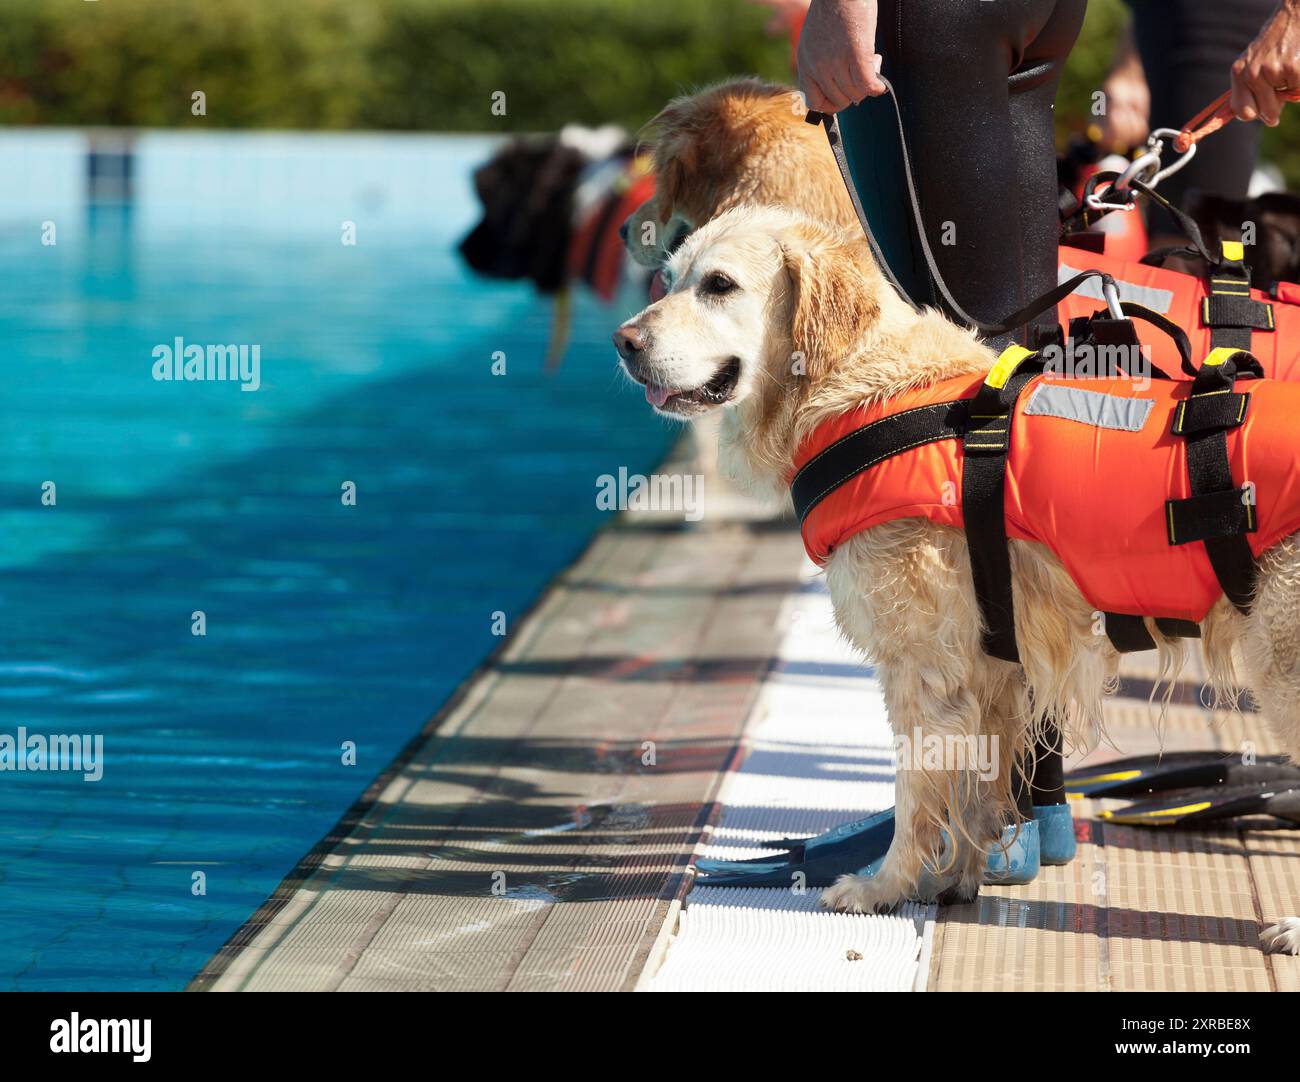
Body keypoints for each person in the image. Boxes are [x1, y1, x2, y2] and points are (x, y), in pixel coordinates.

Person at [1101, 0, 1300, 246]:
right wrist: (1129, 65)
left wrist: (1294, 16)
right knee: (1191, 248)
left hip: (1230, 20)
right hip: (1189, 23)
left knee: (1196, 245)